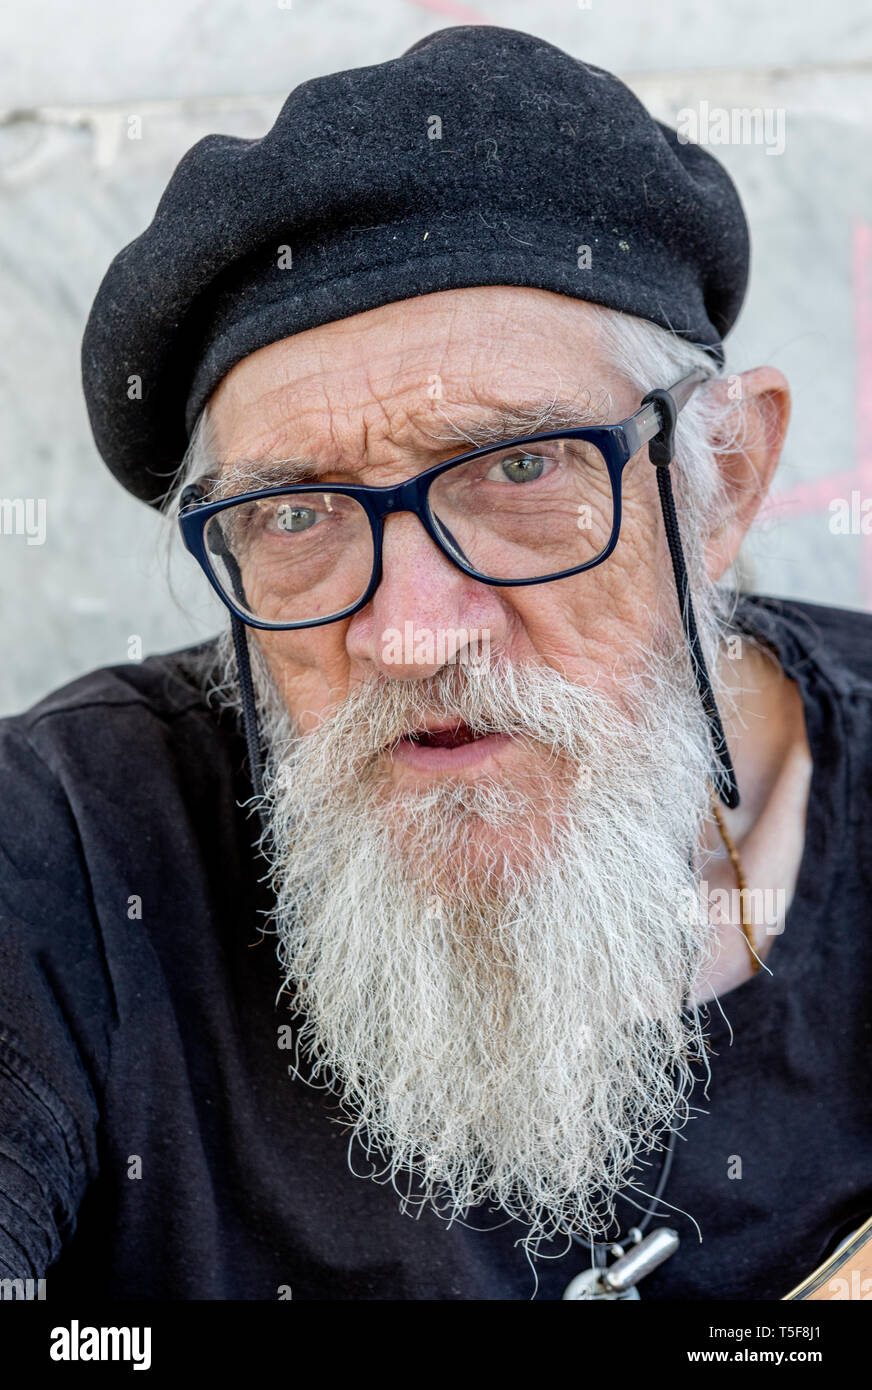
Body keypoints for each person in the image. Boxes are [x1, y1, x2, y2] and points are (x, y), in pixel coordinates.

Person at [2, 24, 869, 1302]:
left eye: (519, 469)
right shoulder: (64, 844)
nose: (410, 633)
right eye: (292, 515)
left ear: (721, 482)